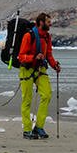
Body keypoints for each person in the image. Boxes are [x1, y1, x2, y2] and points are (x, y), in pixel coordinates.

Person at [18, 12, 60, 140]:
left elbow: (49, 55)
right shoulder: (28, 36)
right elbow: (21, 56)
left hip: (40, 69)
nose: (50, 24)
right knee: (27, 100)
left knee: (47, 95)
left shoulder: (47, 37)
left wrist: (55, 65)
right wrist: (33, 57)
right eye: (48, 22)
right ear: (41, 22)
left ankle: (39, 127)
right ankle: (27, 129)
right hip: (27, 70)